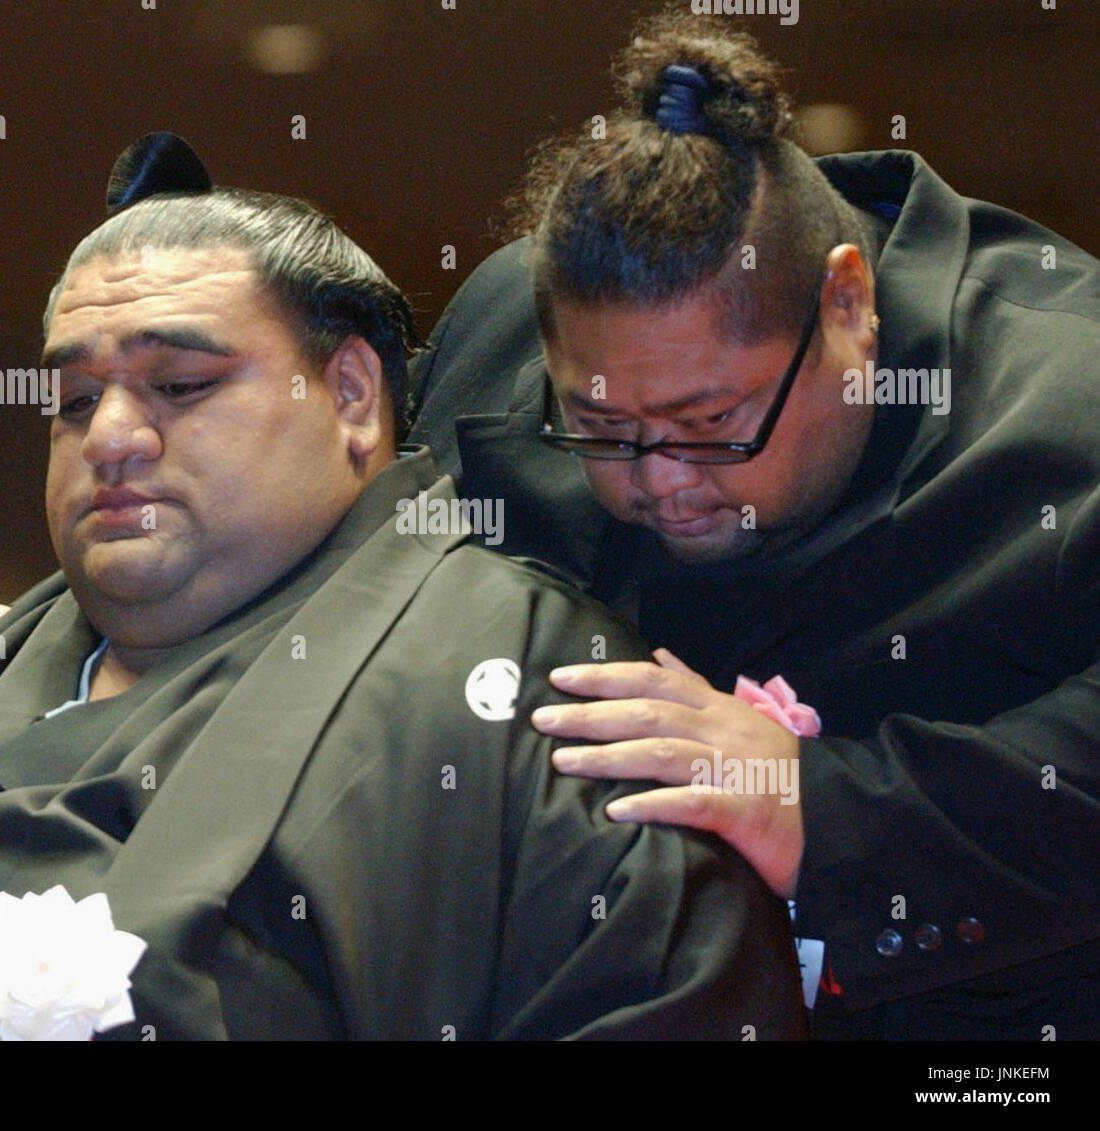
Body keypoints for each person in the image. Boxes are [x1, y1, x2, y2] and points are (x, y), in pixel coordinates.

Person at [0, 133, 806, 1040]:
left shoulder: (558, 696)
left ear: (352, 396)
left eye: (181, 386)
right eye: (73, 401)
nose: (108, 437)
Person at [407, 10, 1100, 1039]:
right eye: (600, 427)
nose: (662, 482)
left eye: (712, 424)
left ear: (847, 305)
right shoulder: (505, 323)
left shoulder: (1070, 394)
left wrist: (823, 807)